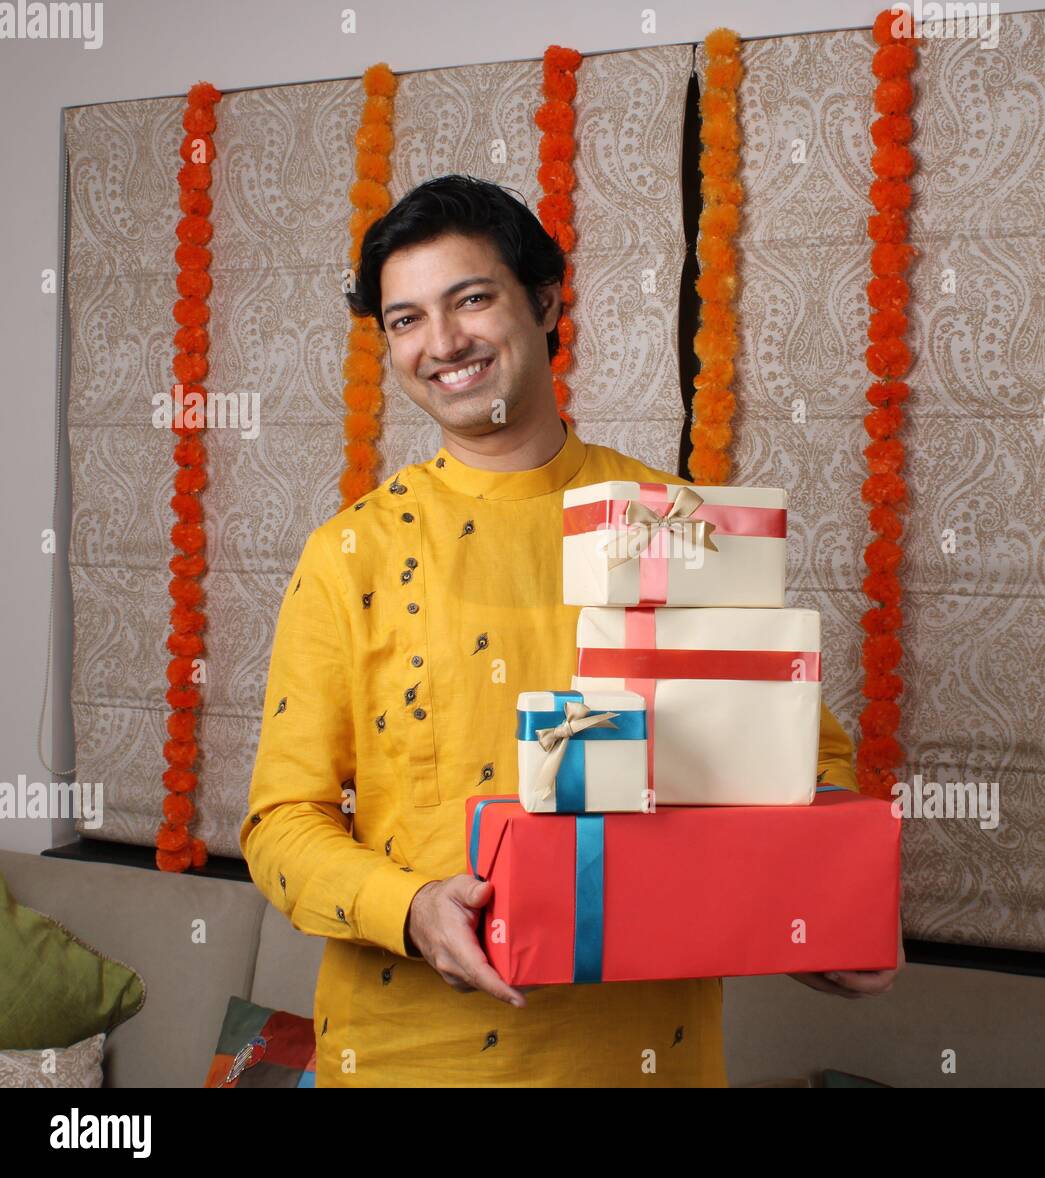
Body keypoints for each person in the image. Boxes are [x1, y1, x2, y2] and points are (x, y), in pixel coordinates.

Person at [240, 174, 902, 1088]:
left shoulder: (671, 524)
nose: (442, 343)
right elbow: (280, 824)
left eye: (471, 298)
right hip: (406, 1058)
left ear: (545, 300)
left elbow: (798, 764)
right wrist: (412, 907)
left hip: (642, 1059)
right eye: (404, 320)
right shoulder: (350, 553)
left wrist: (817, 905)